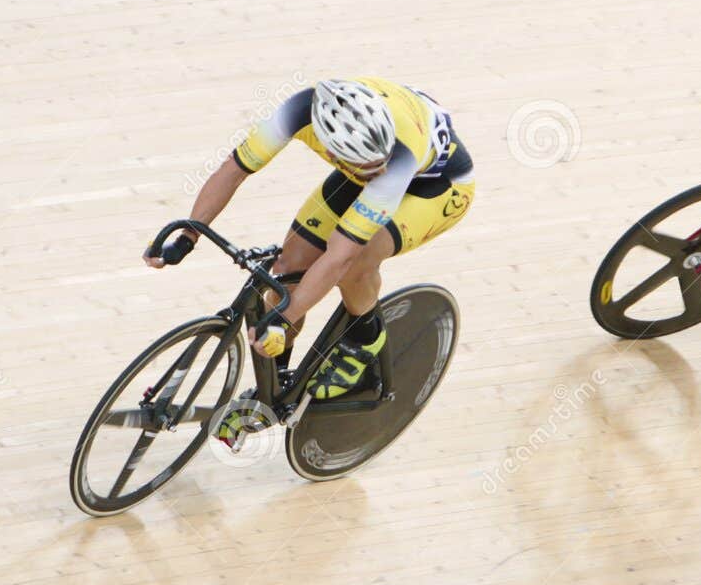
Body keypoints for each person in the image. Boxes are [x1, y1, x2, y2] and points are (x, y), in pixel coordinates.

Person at [148, 78, 475, 439]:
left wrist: (284, 316)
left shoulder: (394, 160)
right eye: (367, 167)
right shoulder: (296, 113)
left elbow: (338, 258)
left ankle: (364, 343)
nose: (374, 173)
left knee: (355, 261)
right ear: (332, 151)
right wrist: (188, 236)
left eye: (374, 166)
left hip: (437, 187)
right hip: (363, 161)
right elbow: (233, 170)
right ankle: (273, 393)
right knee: (288, 269)